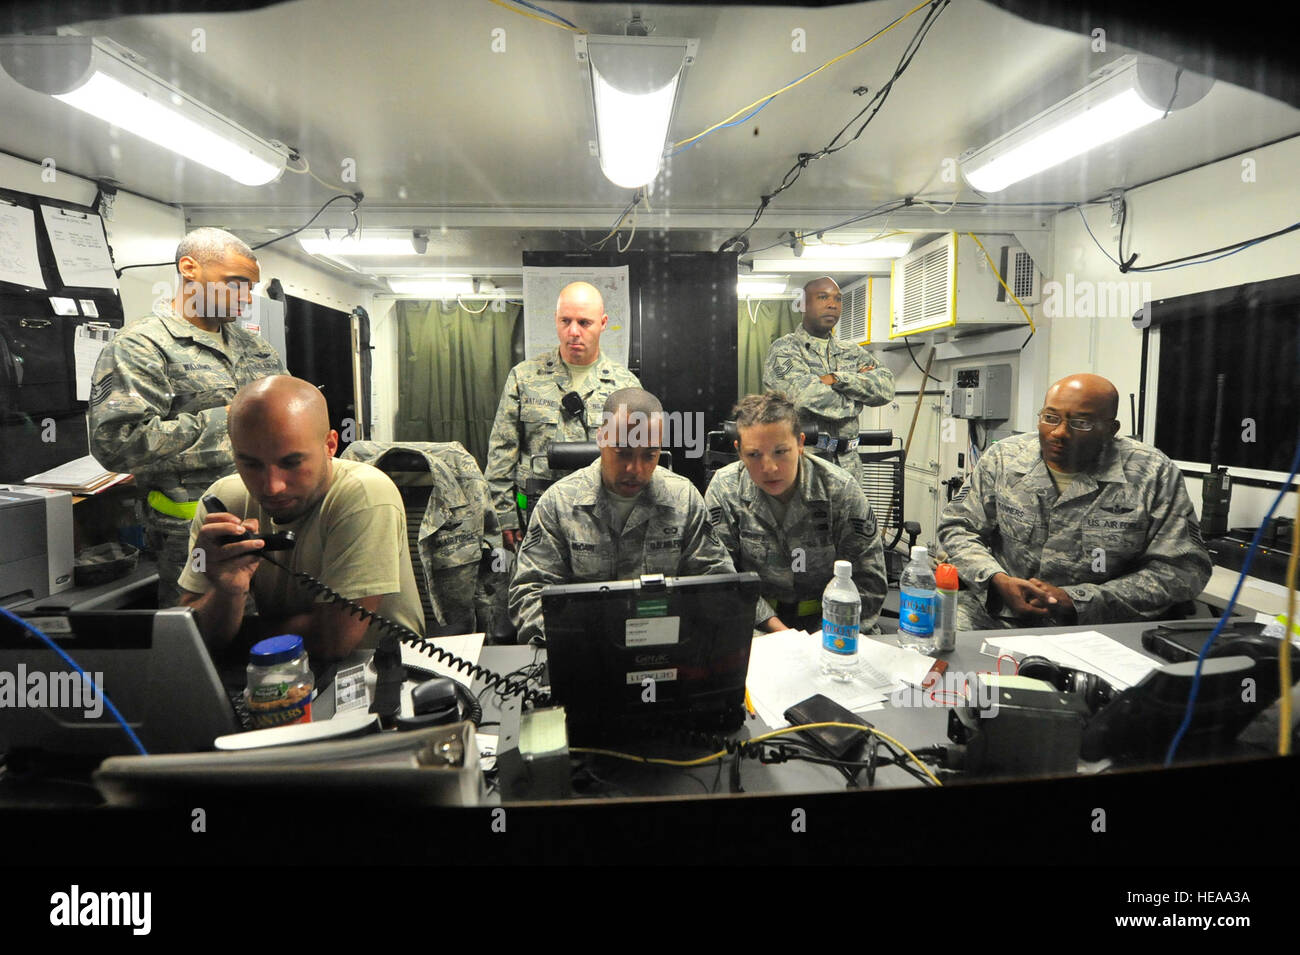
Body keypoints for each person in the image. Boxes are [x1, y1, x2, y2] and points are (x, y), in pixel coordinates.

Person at [88, 227, 286, 606]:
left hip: (265, 519)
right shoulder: (142, 345)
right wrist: (233, 421)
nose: (246, 298)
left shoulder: (254, 347)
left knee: (270, 635)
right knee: (202, 641)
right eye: (236, 283)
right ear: (189, 268)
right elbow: (118, 444)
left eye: (251, 287)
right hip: (192, 531)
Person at [936, 373, 1212, 629]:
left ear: (1111, 429)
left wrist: (1079, 600)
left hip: (1096, 626)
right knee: (941, 659)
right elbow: (958, 527)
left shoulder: (1152, 473)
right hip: (998, 612)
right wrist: (996, 579)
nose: (1059, 433)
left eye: (1081, 423)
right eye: (1050, 418)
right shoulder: (1004, 459)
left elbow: (1184, 569)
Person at [177, 376, 425, 660]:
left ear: (330, 445)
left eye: (291, 463)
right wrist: (227, 592)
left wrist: (236, 634)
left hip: (375, 672)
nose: (272, 487)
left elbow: (333, 640)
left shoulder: (366, 495)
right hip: (281, 673)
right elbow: (191, 631)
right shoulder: (221, 503)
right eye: (251, 464)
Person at [509, 388, 734, 644]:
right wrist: (572, 642)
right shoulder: (559, 503)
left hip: (667, 646)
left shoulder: (684, 499)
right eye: (623, 452)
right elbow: (530, 592)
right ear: (601, 438)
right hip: (585, 647)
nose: (635, 469)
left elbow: (716, 584)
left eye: (650, 455)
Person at [705, 391, 888, 634]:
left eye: (780, 452)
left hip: (834, 626)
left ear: (800, 444)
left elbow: (868, 581)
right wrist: (780, 633)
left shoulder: (839, 489)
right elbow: (722, 577)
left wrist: (825, 638)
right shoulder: (725, 489)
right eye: (754, 455)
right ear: (739, 451)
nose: (769, 467)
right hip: (754, 624)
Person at [485, 281, 640, 550]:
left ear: (603, 323)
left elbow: (635, 460)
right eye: (565, 321)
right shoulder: (524, 377)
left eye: (584, 322)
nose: (573, 332)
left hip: (600, 516)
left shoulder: (625, 386)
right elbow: (502, 452)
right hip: (534, 515)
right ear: (555, 320)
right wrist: (504, 516)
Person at [762, 276, 895, 484]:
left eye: (838, 299)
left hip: (849, 467)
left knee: (852, 518)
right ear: (804, 304)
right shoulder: (785, 349)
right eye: (823, 297)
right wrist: (857, 400)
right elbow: (806, 397)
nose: (833, 304)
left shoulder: (850, 351)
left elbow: (886, 387)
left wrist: (836, 379)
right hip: (805, 467)